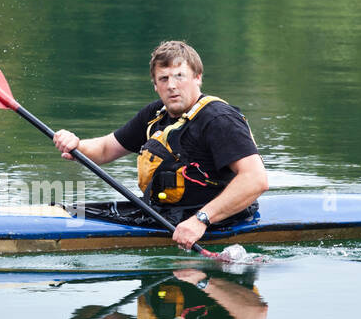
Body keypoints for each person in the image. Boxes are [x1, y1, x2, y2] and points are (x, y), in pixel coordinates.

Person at [52, 40, 268, 250]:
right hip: (165, 215)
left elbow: (256, 180)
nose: (172, 85)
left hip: (218, 222)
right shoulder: (156, 115)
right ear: (155, 85)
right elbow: (106, 149)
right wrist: (77, 144)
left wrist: (200, 220)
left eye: (179, 76)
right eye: (163, 79)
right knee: (74, 211)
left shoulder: (219, 120)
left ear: (197, 77)